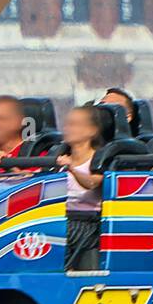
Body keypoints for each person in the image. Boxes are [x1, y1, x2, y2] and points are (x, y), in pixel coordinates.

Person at [55, 106, 105, 271]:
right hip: (60, 217)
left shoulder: (100, 158)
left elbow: (92, 183)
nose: (67, 128)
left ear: (92, 130)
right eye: (67, 124)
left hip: (88, 223)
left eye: (74, 124)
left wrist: (73, 169)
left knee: (53, 233)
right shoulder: (59, 156)